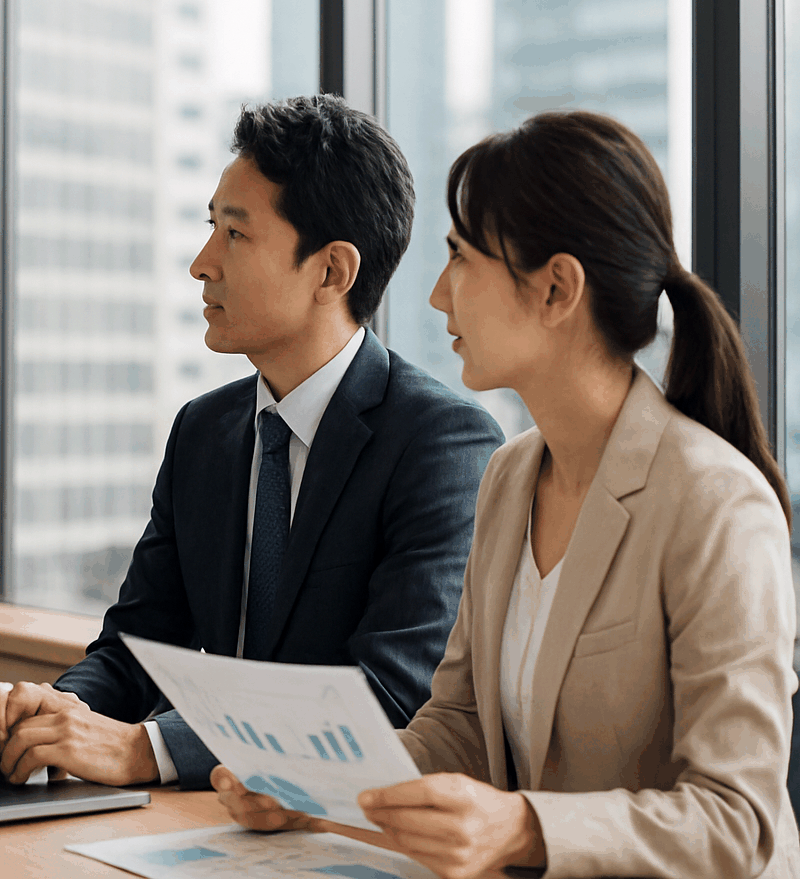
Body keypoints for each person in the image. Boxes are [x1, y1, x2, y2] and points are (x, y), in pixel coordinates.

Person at [214, 110, 800, 879]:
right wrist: (316, 785)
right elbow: (456, 723)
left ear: (555, 288)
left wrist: (523, 827)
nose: (434, 295)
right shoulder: (512, 474)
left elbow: (736, 819)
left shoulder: (718, 505)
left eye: (460, 259)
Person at [0, 95, 504, 789]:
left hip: (339, 833)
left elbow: (386, 695)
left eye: (236, 235)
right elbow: (137, 649)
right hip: (209, 821)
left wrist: (146, 750)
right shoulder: (203, 431)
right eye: (210, 227)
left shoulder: (441, 444)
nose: (200, 263)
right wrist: (59, 711)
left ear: (332, 271)